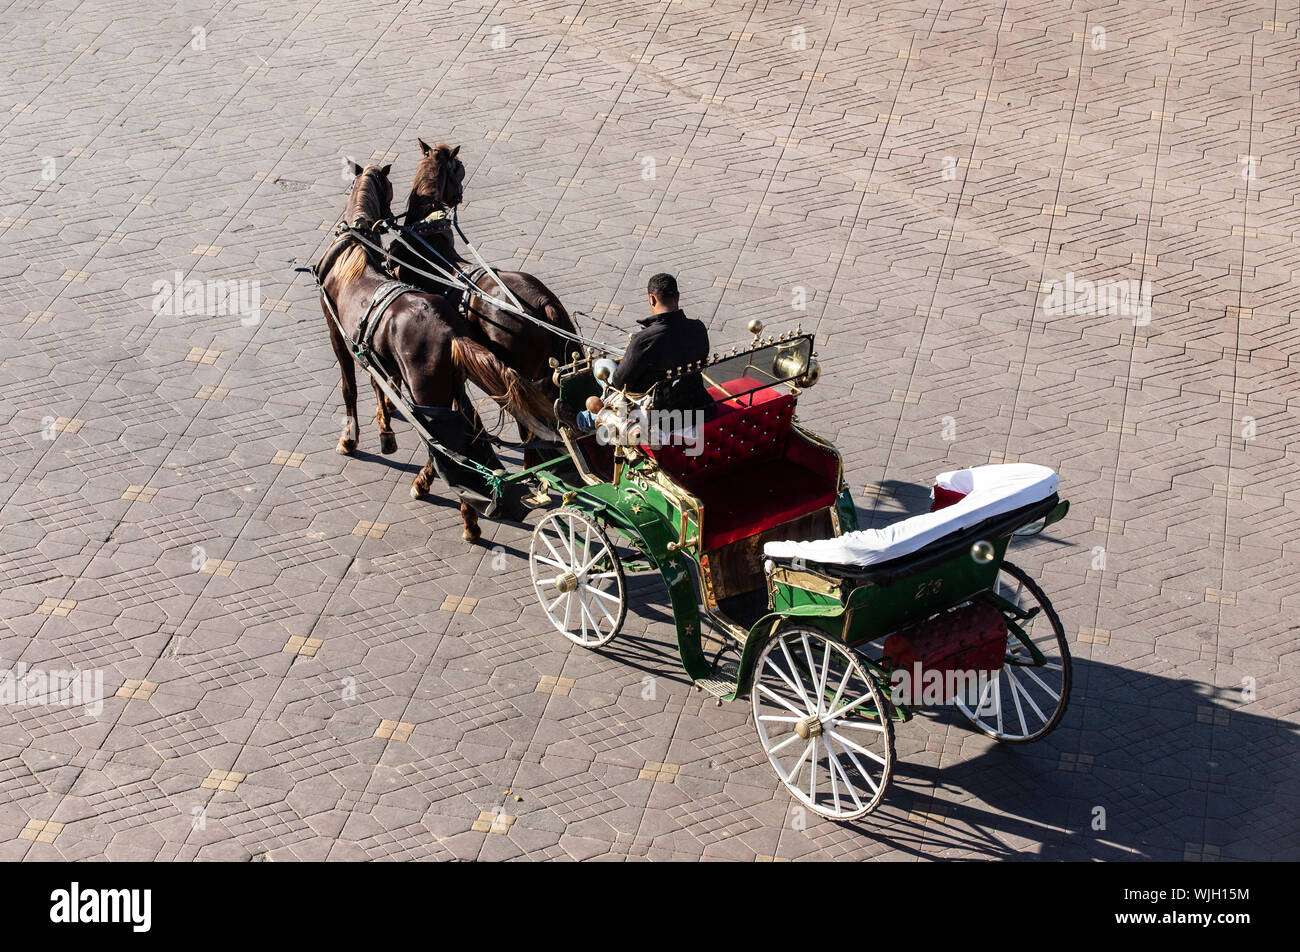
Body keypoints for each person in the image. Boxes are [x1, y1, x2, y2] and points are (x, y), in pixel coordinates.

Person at [576, 273, 711, 431]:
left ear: (652, 299)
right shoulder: (698, 328)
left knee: (602, 364)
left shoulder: (643, 340)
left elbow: (619, 383)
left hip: (658, 416)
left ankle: (583, 421)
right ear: (678, 297)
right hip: (698, 405)